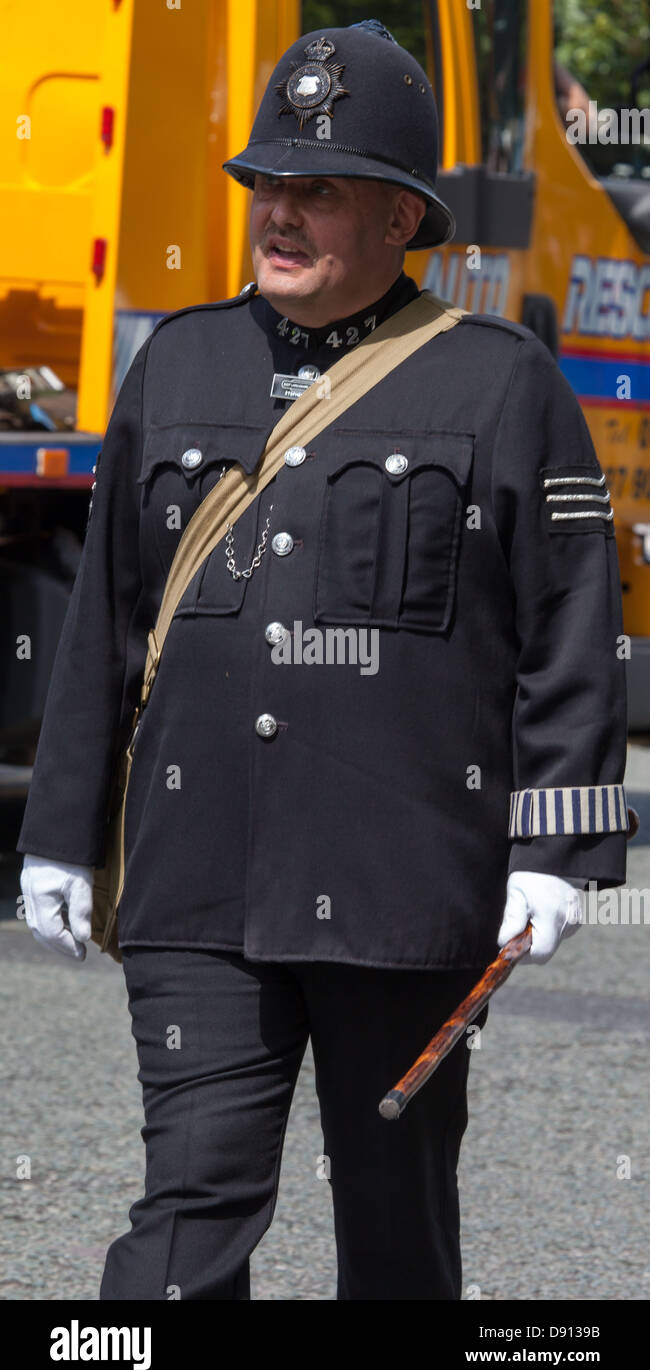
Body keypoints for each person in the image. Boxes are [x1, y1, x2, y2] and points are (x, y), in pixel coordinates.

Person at [17, 20, 628, 1301]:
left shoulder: (499, 384)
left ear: (402, 218)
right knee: (182, 1223)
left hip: (406, 888)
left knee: (396, 1235)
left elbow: (568, 622)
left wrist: (553, 845)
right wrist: (60, 833)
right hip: (199, 883)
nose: (278, 216)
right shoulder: (178, 359)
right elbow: (105, 621)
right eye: (267, 188)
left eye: (318, 191)